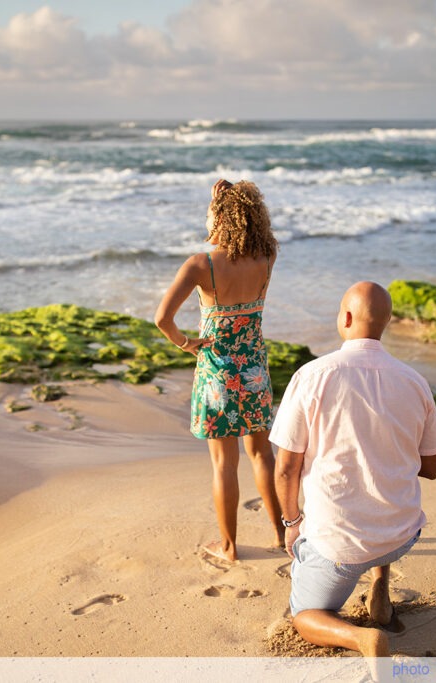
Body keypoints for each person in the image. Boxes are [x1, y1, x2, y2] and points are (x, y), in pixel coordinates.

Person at [270, 281, 436, 657]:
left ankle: (362, 638)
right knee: (378, 484)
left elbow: (285, 469)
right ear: (387, 322)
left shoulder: (312, 376)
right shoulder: (415, 382)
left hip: (341, 547)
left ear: (345, 318)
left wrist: (291, 523)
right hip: (401, 534)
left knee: (306, 614)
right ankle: (380, 587)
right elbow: (431, 468)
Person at [155, 178, 285, 563]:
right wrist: (229, 201)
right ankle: (280, 533)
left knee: (224, 463)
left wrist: (185, 343)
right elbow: (257, 237)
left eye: (211, 212)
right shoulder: (267, 258)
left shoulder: (201, 265)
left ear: (221, 217)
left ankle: (229, 547)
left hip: (217, 375)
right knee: (262, 454)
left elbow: (163, 318)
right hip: (255, 371)